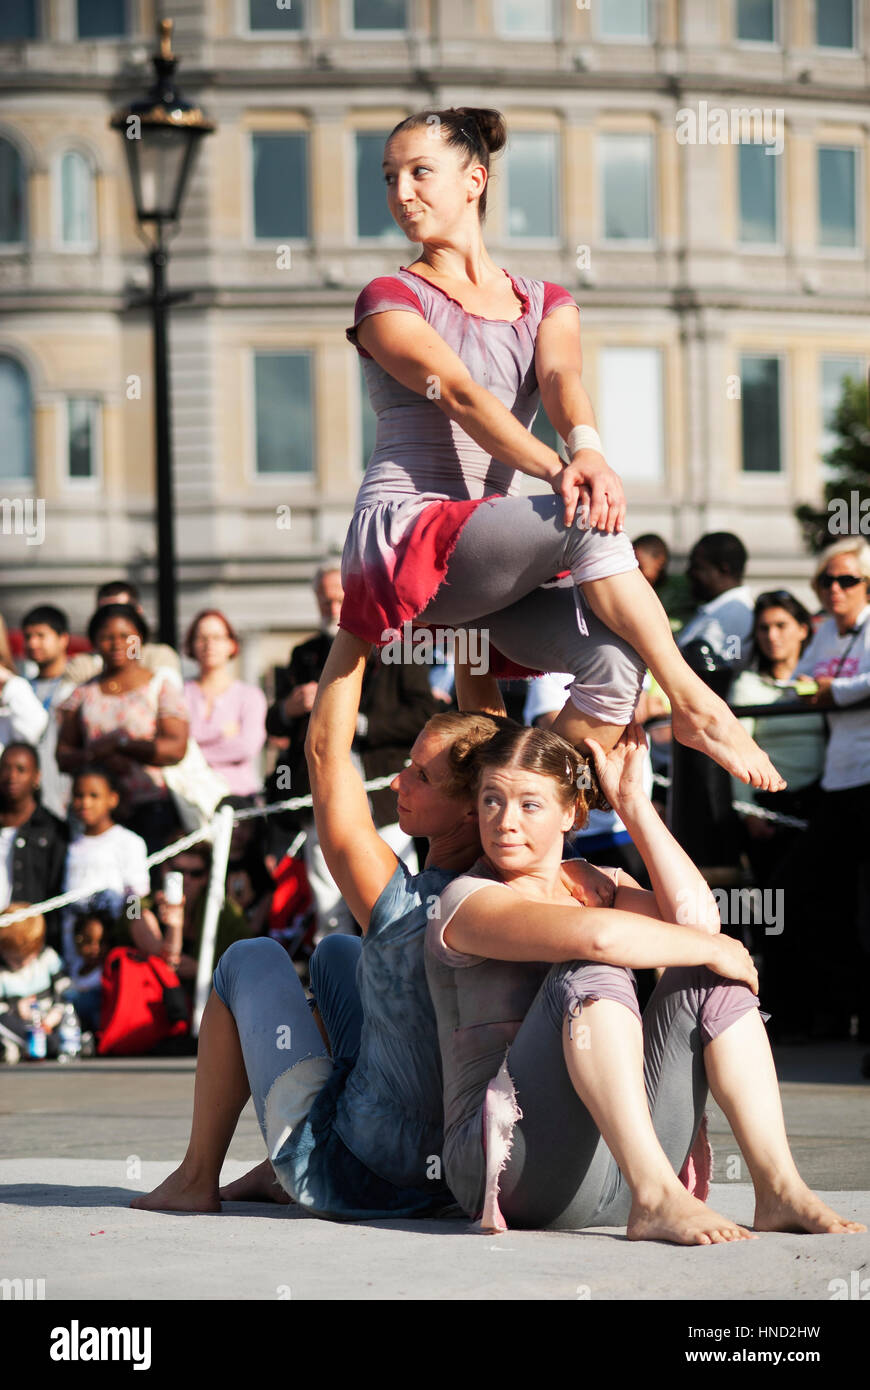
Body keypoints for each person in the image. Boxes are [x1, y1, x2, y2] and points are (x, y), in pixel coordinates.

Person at [340, 106, 781, 794]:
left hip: (492, 554)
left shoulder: (545, 300)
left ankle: (514, 799)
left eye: (420, 172)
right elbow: (457, 393)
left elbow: (559, 378)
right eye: (390, 176)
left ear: (475, 180)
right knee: (582, 513)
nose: (401, 192)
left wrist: (589, 451)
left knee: (615, 665)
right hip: (406, 538)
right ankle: (697, 702)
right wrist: (561, 471)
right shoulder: (389, 296)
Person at [129, 630, 613, 1215]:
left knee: (247, 958)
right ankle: (270, 1169)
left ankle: (195, 1178)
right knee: (338, 952)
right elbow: (496, 742)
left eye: (420, 776)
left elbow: (324, 755)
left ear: (471, 807)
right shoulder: (510, 882)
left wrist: (357, 626)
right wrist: (472, 631)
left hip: (357, 1174)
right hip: (457, 1169)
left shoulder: (404, 907)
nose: (397, 783)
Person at [425, 720, 864, 1241]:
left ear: (571, 812)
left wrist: (634, 804)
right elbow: (600, 940)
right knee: (588, 967)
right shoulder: (465, 902)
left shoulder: (598, 883)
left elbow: (699, 925)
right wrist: (715, 944)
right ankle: (655, 1195)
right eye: (492, 800)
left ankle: (778, 1189)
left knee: (708, 976)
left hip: (610, 1177)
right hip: (511, 1172)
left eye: (530, 804)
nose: (505, 821)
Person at [796, 539, 870, 1040]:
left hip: (866, 779)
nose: (835, 589)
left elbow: (825, 685)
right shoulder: (825, 632)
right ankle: (838, 1012)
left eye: (847, 580)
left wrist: (833, 690)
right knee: (809, 892)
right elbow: (803, 679)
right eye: (827, 580)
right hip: (838, 779)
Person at [56, 604, 188, 853]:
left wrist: (124, 745)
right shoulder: (83, 693)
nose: (117, 644)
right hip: (97, 816)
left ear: (139, 640)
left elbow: (176, 748)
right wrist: (97, 754)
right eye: (107, 637)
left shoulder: (159, 685)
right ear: (95, 643)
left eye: (125, 637)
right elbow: (63, 756)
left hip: (151, 809)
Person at [61, 765, 151, 978]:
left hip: (113, 953)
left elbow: (135, 897)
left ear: (112, 799)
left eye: (94, 796)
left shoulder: (128, 842)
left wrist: (128, 935)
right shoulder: (68, 844)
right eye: (79, 795)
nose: (85, 803)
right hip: (73, 954)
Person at [183, 610, 266, 798]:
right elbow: (175, 746)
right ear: (192, 645)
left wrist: (194, 751)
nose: (209, 644)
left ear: (231, 644)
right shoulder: (180, 693)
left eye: (217, 637)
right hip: (188, 797)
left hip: (239, 798)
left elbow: (246, 747)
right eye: (202, 638)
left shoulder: (250, 696)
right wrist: (221, 734)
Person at [0, 744, 68, 949]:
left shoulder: (53, 830)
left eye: (21, 769)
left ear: (36, 777)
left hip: (31, 944)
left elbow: (57, 889)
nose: (11, 776)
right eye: (5, 768)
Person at [65, 581, 182, 685]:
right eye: (105, 613)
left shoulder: (160, 656)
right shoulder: (82, 665)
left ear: (138, 613)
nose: (114, 620)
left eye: (123, 612)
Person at [20, 605, 76, 819]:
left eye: (41, 636)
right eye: (28, 637)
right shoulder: (21, 689)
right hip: (30, 803)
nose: (33, 643)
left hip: (69, 800)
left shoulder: (79, 686)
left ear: (63, 639)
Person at [0, 906, 73, 1061]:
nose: (24, 963)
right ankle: (17, 1047)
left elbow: (65, 987)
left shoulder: (47, 957)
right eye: (16, 959)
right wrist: (16, 1008)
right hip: (21, 1024)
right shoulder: (3, 972)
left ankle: (59, 1044)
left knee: (71, 1009)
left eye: (28, 957)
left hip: (49, 1019)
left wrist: (57, 1012)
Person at [677, 533, 754, 668]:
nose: (689, 573)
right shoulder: (719, 609)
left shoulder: (734, 613)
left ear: (724, 569)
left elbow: (714, 674)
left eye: (697, 566)